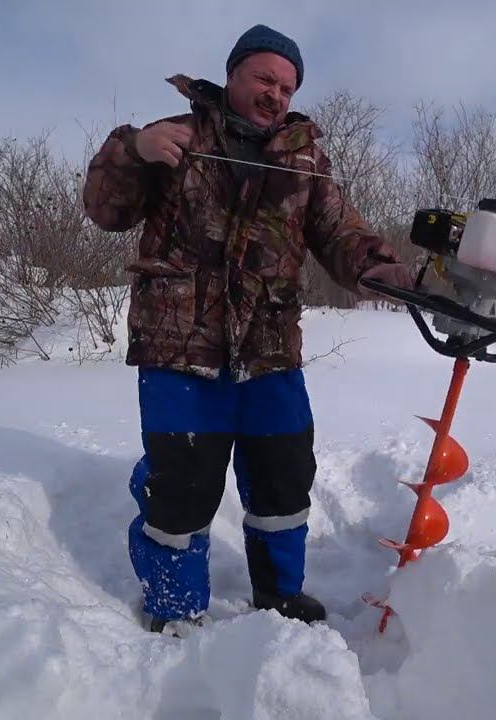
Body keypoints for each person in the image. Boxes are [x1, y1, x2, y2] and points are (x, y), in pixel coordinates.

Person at [82, 24, 413, 636]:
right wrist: (132, 148)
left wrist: (376, 267)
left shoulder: (305, 157)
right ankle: (176, 608)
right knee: (182, 484)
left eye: (287, 86)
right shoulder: (177, 136)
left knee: (284, 478)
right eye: (265, 78)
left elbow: (339, 233)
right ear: (232, 73)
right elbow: (105, 211)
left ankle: (280, 596)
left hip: (269, 349)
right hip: (181, 346)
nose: (276, 94)